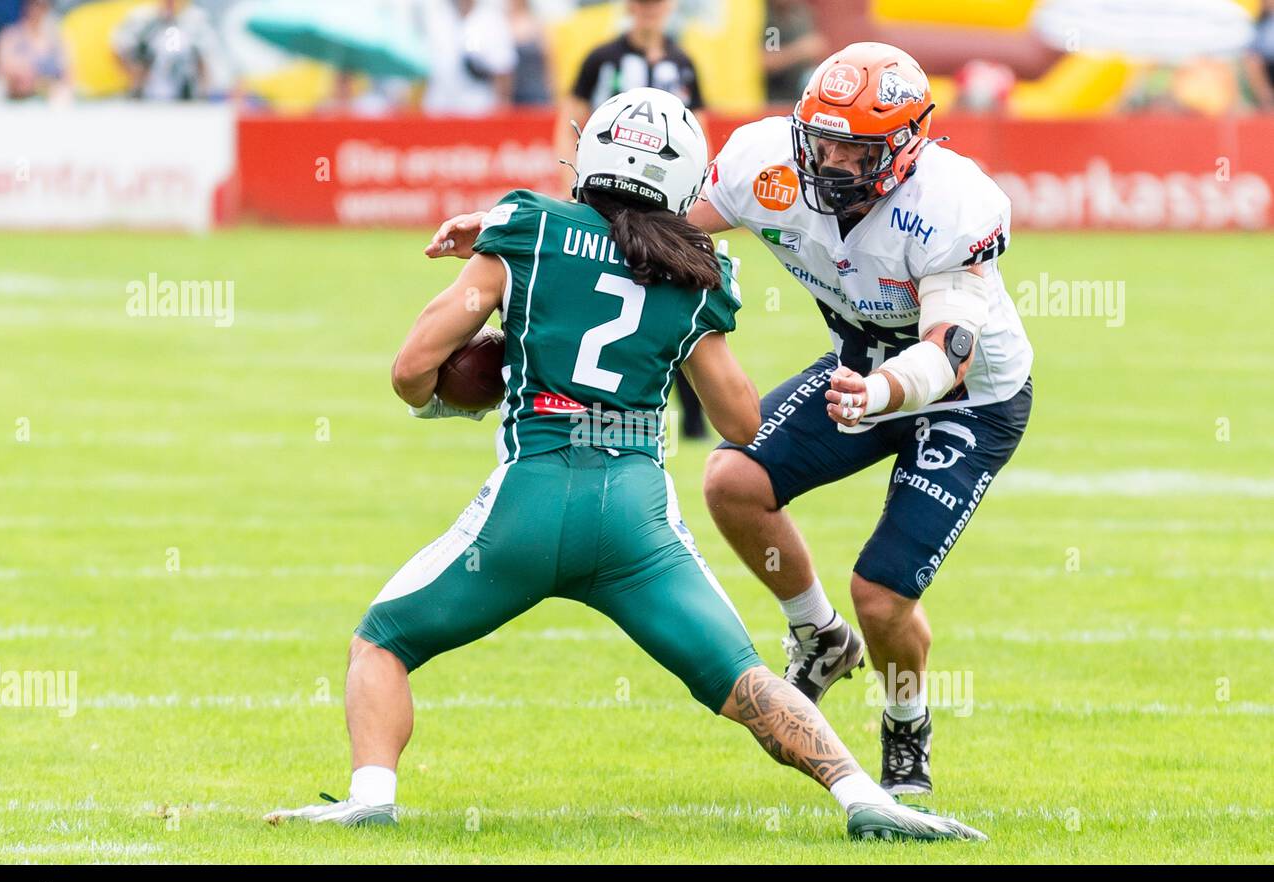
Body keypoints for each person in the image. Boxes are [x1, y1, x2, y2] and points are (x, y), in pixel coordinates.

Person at [266, 88, 985, 843]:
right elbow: (742, 422)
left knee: (384, 640)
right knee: (745, 679)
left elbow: (412, 366)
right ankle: (863, 794)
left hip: (528, 500)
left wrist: (466, 389)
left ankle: (371, 795)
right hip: (635, 518)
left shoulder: (525, 225)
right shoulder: (696, 269)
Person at [429, 42, 1034, 798]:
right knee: (733, 476)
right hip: (857, 364)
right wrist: (503, 225)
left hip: (963, 395)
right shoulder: (767, 164)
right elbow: (639, 222)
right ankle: (818, 636)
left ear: (908, 144)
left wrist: (878, 394)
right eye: (823, 139)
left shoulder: (953, 204)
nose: (833, 161)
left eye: (856, 146)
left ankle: (906, 725)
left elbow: (951, 351)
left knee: (881, 594)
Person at [559, 0, 709, 439]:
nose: (648, 11)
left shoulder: (682, 63)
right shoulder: (601, 58)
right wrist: (568, 169)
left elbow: (698, 131)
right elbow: (570, 114)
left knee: (673, 292)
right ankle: (586, 401)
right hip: (605, 193)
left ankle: (693, 421)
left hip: (660, 200)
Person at [421, 0, 516, 115]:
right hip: (439, 109)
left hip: (479, 110)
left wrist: (502, 111)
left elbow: (503, 71)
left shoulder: (492, 20)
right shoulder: (436, 16)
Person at [112, 0, 221, 101]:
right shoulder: (142, 19)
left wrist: (204, 93)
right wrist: (135, 75)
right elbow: (118, 47)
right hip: (148, 96)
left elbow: (203, 59)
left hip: (185, 97)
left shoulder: (196, 20)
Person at [0, 0, 69, 102]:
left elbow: (68, 73)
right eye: (33, 3)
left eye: (43, 5)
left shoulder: (57, 36)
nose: (37, 9)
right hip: (17, 101)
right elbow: (3, 70)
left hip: (51, 103)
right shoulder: (11, 35)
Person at [762, 0, 826, 106]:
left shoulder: (801, 12)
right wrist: (800, 50)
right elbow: (767, 62)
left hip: (801, 89)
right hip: (776, 95)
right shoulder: (768, 17)